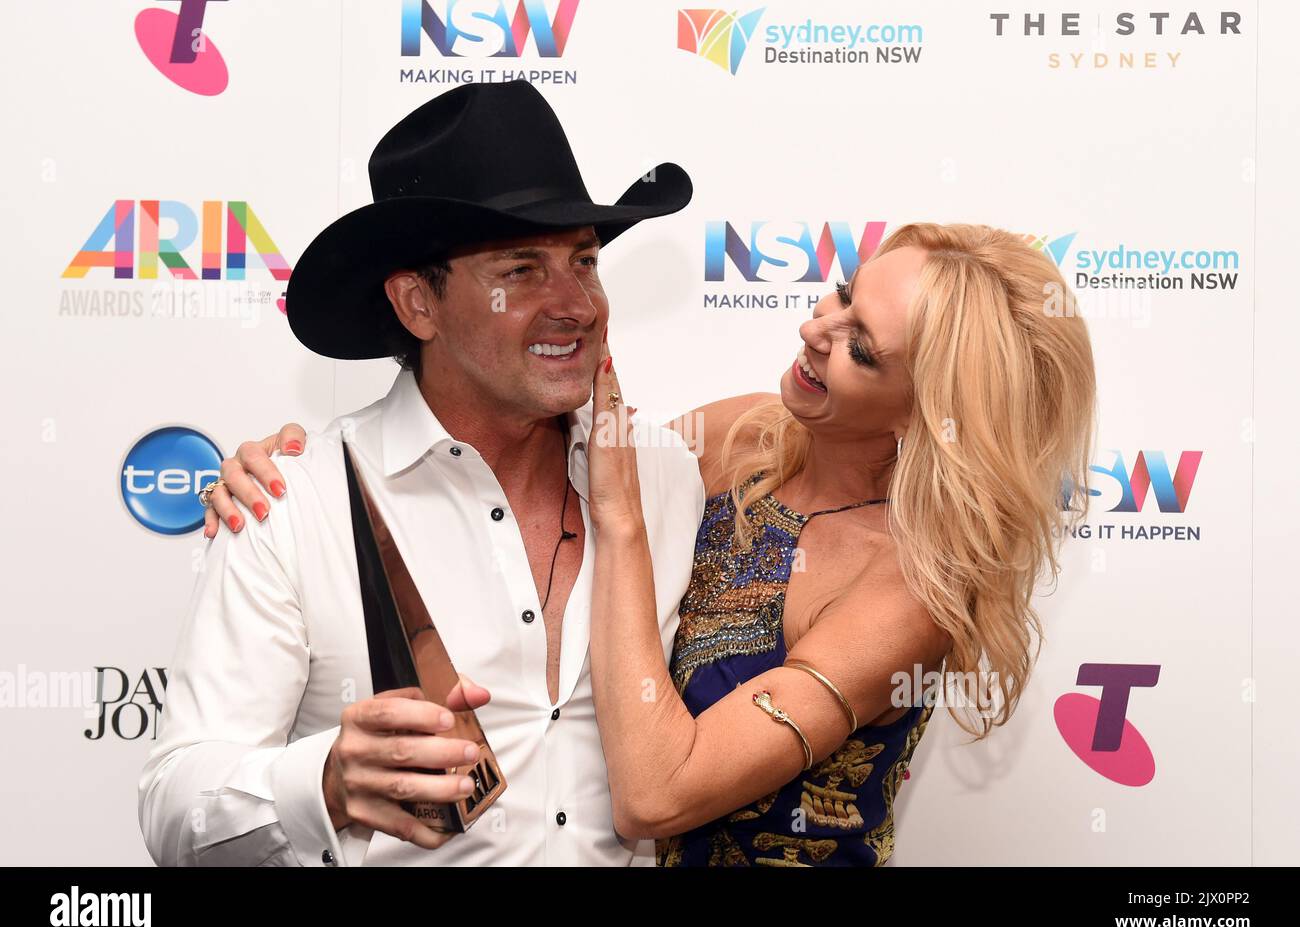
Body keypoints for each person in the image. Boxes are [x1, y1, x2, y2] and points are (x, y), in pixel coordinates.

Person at [209, 222, 1098, 866]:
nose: (812, 330)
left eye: (861, 347)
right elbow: (533, 455)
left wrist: (622, 521)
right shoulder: (748, 435)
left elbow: (655, 795)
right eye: (840, 294)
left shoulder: (910, 589)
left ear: (930, 419)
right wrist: (303, 466)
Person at [137, 79, 704, 867]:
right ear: (417, 305)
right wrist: (326, 783)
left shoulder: (668, 474)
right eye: (522, 270)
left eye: (584, 260)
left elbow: (817, 431)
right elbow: (174, 808)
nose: (577, 303)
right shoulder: (295, 504)